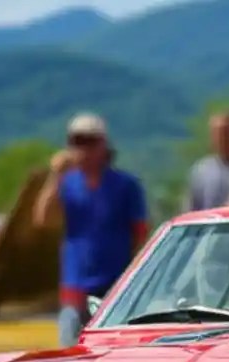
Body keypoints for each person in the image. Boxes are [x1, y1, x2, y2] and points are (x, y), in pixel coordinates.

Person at [34, 112, 148, 347]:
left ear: (103, 145)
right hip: (75, 286)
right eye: (77, 143)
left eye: (90, 142)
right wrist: (56, 175)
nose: (84, 150)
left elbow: (140, 232)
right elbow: (43, 219)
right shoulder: (66, 184)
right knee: (70, 352)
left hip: (115, 287)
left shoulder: (126, 185)